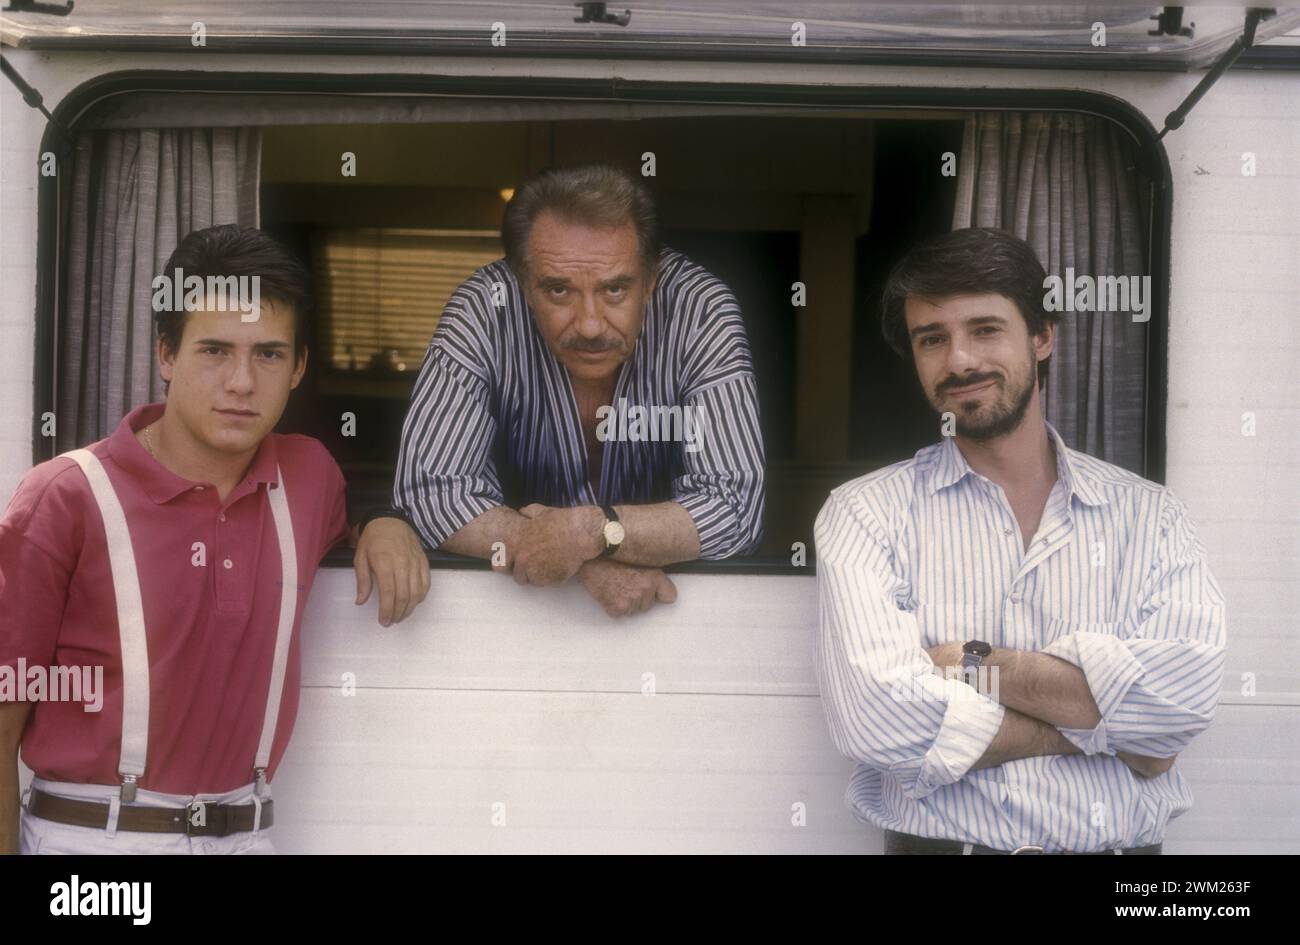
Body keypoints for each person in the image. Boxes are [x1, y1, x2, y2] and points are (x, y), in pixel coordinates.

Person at [0, 224, 429, 854]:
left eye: (269, 354)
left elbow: (351, 517)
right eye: (215, 350)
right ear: (166, 355)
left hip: (246, 834)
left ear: (300, 367)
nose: (241, 382)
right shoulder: (66, 496)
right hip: (97, 844)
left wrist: (386, 520)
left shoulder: (308, 477)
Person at [815, 227, 1226, 854]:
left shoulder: (1152, 517)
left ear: (1041, 336)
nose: (959, 361)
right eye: (933, 339)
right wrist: (1105, 728)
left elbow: (1179, 706)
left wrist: (973, 664)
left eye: (985, 329)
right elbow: (880, 724)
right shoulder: (865, 514)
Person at [376, 163, 765, 618]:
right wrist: (564, 553)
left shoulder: (700, 310)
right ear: (523, 283)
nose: (590, 324)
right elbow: (430, 492)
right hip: (513, 620)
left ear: (652, 280)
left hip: (678, 622)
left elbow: (734, 509)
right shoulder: (484, 309)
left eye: (616, 289)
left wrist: (592, 534)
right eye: (559, 290)